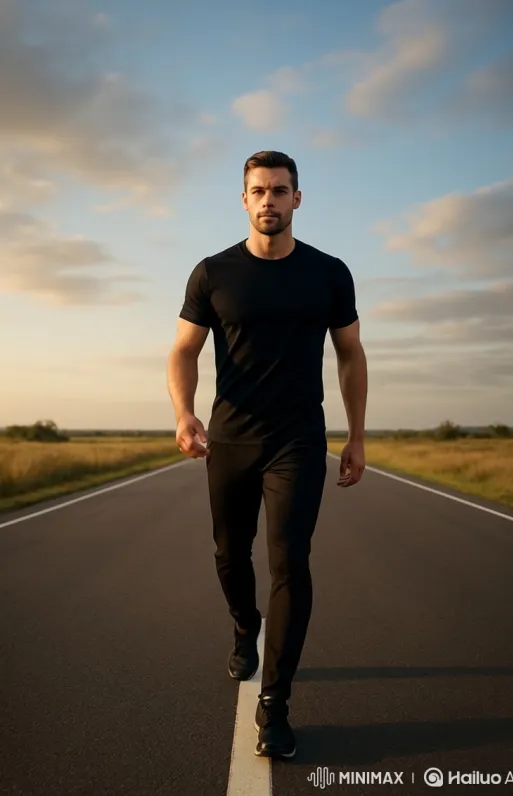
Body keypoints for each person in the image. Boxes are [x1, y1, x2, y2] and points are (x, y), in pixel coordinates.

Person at [167, 150, 367, 758]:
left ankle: (274, 704)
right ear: (245, 199)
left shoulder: (329, 273)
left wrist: (356, 435)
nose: (270, 200)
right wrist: (183, 413)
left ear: (297, 199)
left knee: (290, 561)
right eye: (259, 191)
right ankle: (242, 625)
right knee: (230, 554)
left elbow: (351, 354)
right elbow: (182, 351)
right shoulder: (213, 273)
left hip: (299, 439)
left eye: (281, 190)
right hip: (229, 437)